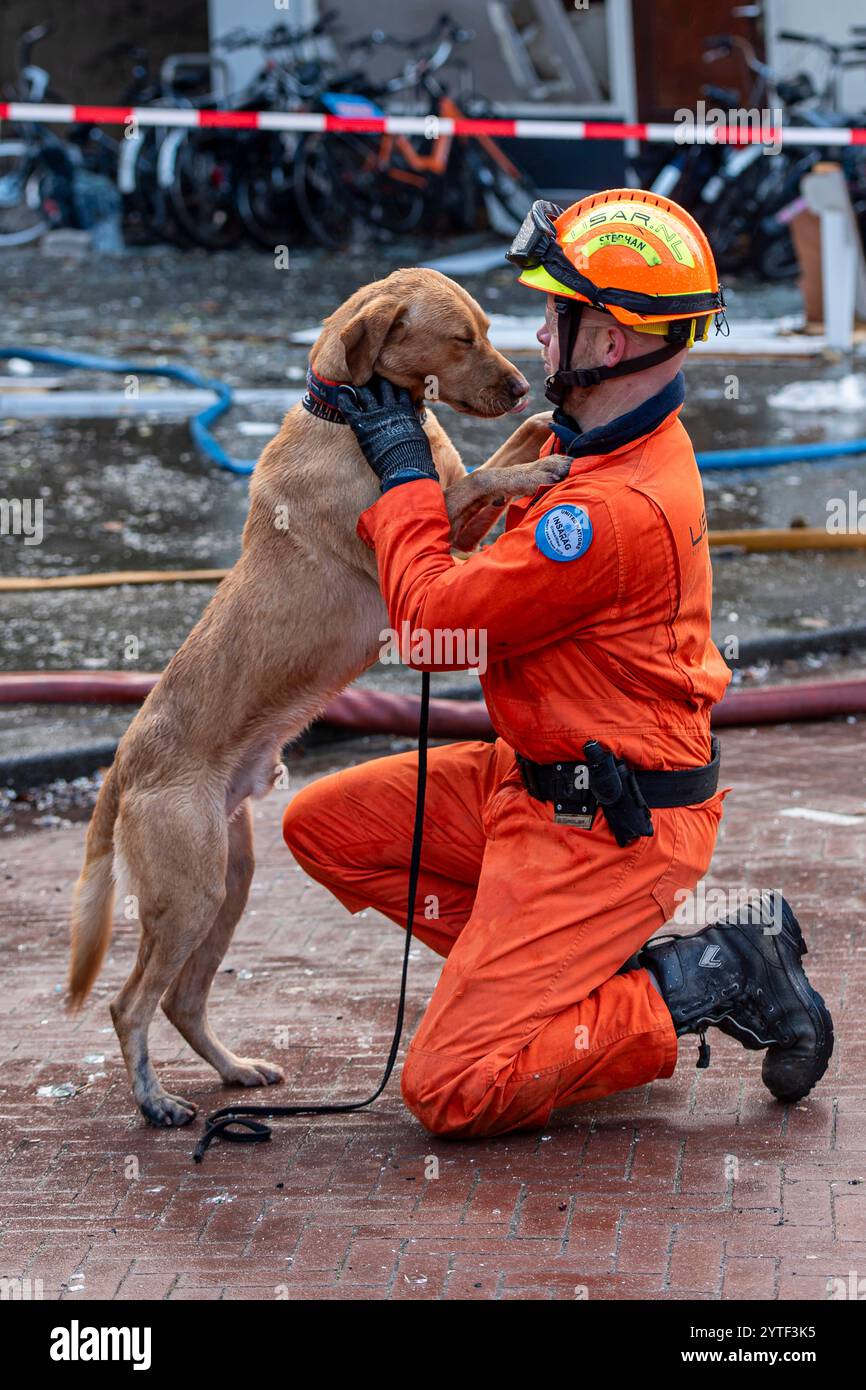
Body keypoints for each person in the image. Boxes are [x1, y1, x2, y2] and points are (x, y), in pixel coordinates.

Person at [282, 190, 832, 1139]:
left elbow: (430, 628)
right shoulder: (586, 443)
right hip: (534, 780)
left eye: (553, 316)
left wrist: (406, 470)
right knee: (325, 829)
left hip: (609, 827)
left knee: (452, 1088)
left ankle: (713, 975)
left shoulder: (605, 513)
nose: (538, 339)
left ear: (609, 343)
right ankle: (565, 991)